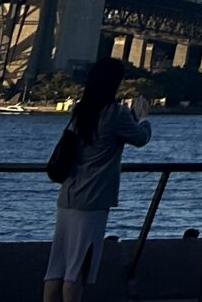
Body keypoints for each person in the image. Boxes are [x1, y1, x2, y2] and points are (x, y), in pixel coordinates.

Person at [46, 53, 152, 302]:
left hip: (68, 194)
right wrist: (144, 117)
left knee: (57, 266)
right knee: (77, 269)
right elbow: (140, 138)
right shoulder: (116, 113)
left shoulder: (81, 110)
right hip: (93, 200)